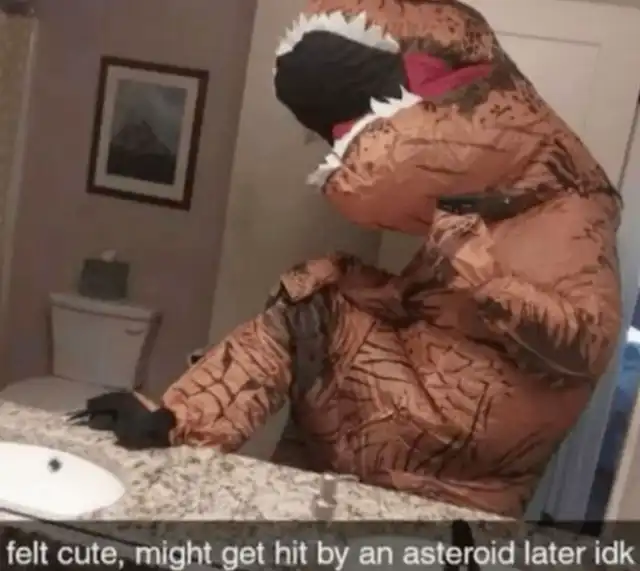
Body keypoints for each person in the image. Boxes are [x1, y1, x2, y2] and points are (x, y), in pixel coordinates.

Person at [71, 0, 622, 518]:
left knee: (311, 310)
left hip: (465, 477)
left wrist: (485, 280)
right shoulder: (476, 211)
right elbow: (430, 315)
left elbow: (586, 346)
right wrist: (364, 281)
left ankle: (178, 432)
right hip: (389, 431)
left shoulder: (575, 210)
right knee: (313, 296)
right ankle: (173, 425)